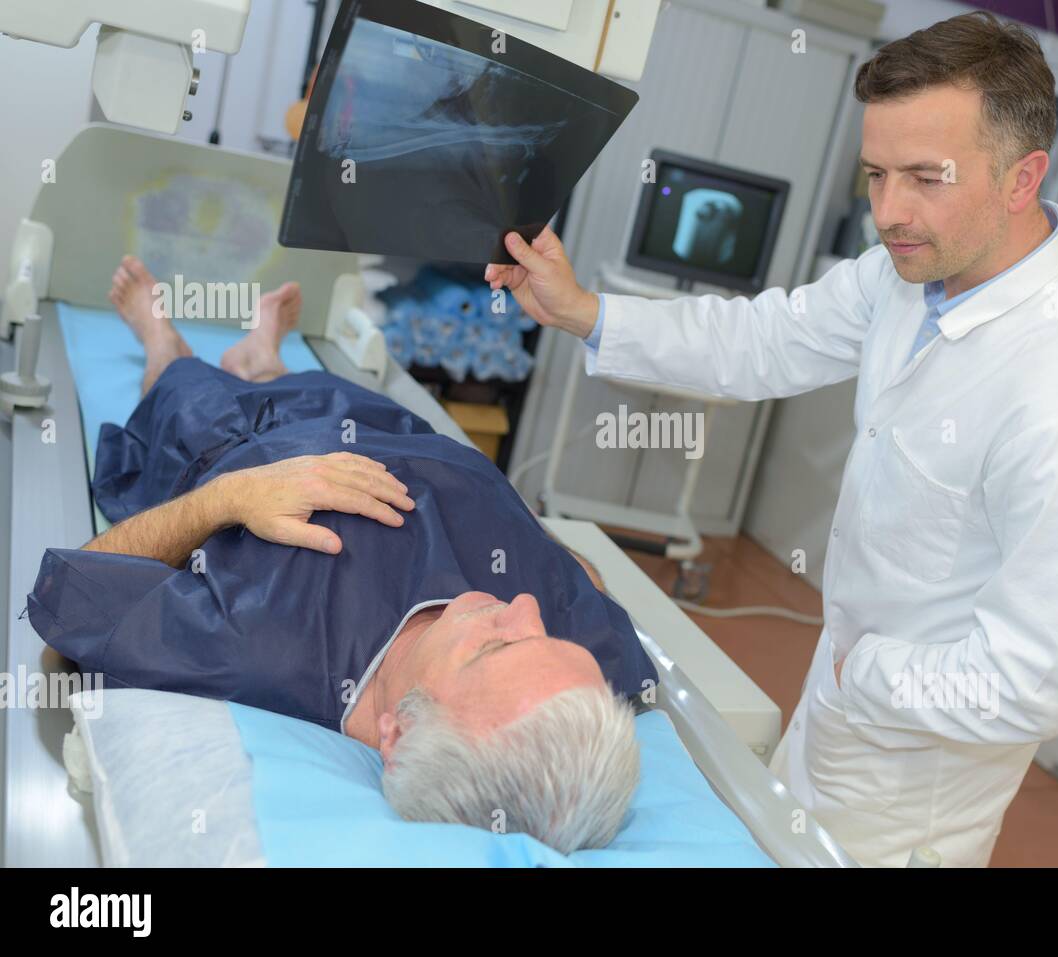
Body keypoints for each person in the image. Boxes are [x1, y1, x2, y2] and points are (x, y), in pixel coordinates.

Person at [487, 11, 1058, 866]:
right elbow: (765, 340)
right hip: (833, 718)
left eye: (926, 176)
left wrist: (864, 674)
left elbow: (1046, 682)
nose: (890, 211)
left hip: (912, 798)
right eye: (875, 174)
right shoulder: (913, 274)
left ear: (1023, 176)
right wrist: (587, 313)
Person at [27, 256, 656, 854]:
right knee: (304, 383)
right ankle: (263, 357)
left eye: (497, 646)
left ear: (399, 733)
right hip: (375, 417)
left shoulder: (261, 648)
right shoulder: (583, 667)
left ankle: (161, 337)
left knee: (181, 388)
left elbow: (66, 594)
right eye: (544, 633)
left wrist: (229, 497)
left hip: (237, 436)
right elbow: (587, 591)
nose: (523, 606)